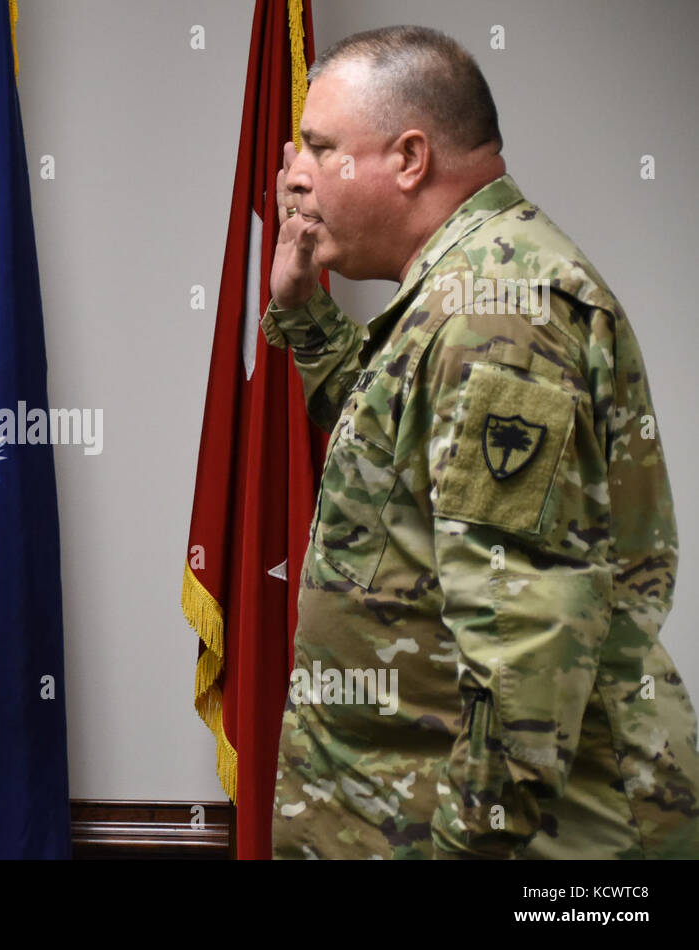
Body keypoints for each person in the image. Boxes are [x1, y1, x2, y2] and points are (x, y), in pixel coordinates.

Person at [263, 25, 699, 858]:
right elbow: (392, 452)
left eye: (320, 148)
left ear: (410, 158)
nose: (294, 177)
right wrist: (300, 311)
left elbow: (524, 654)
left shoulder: (496, 312)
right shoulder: (459, 294)